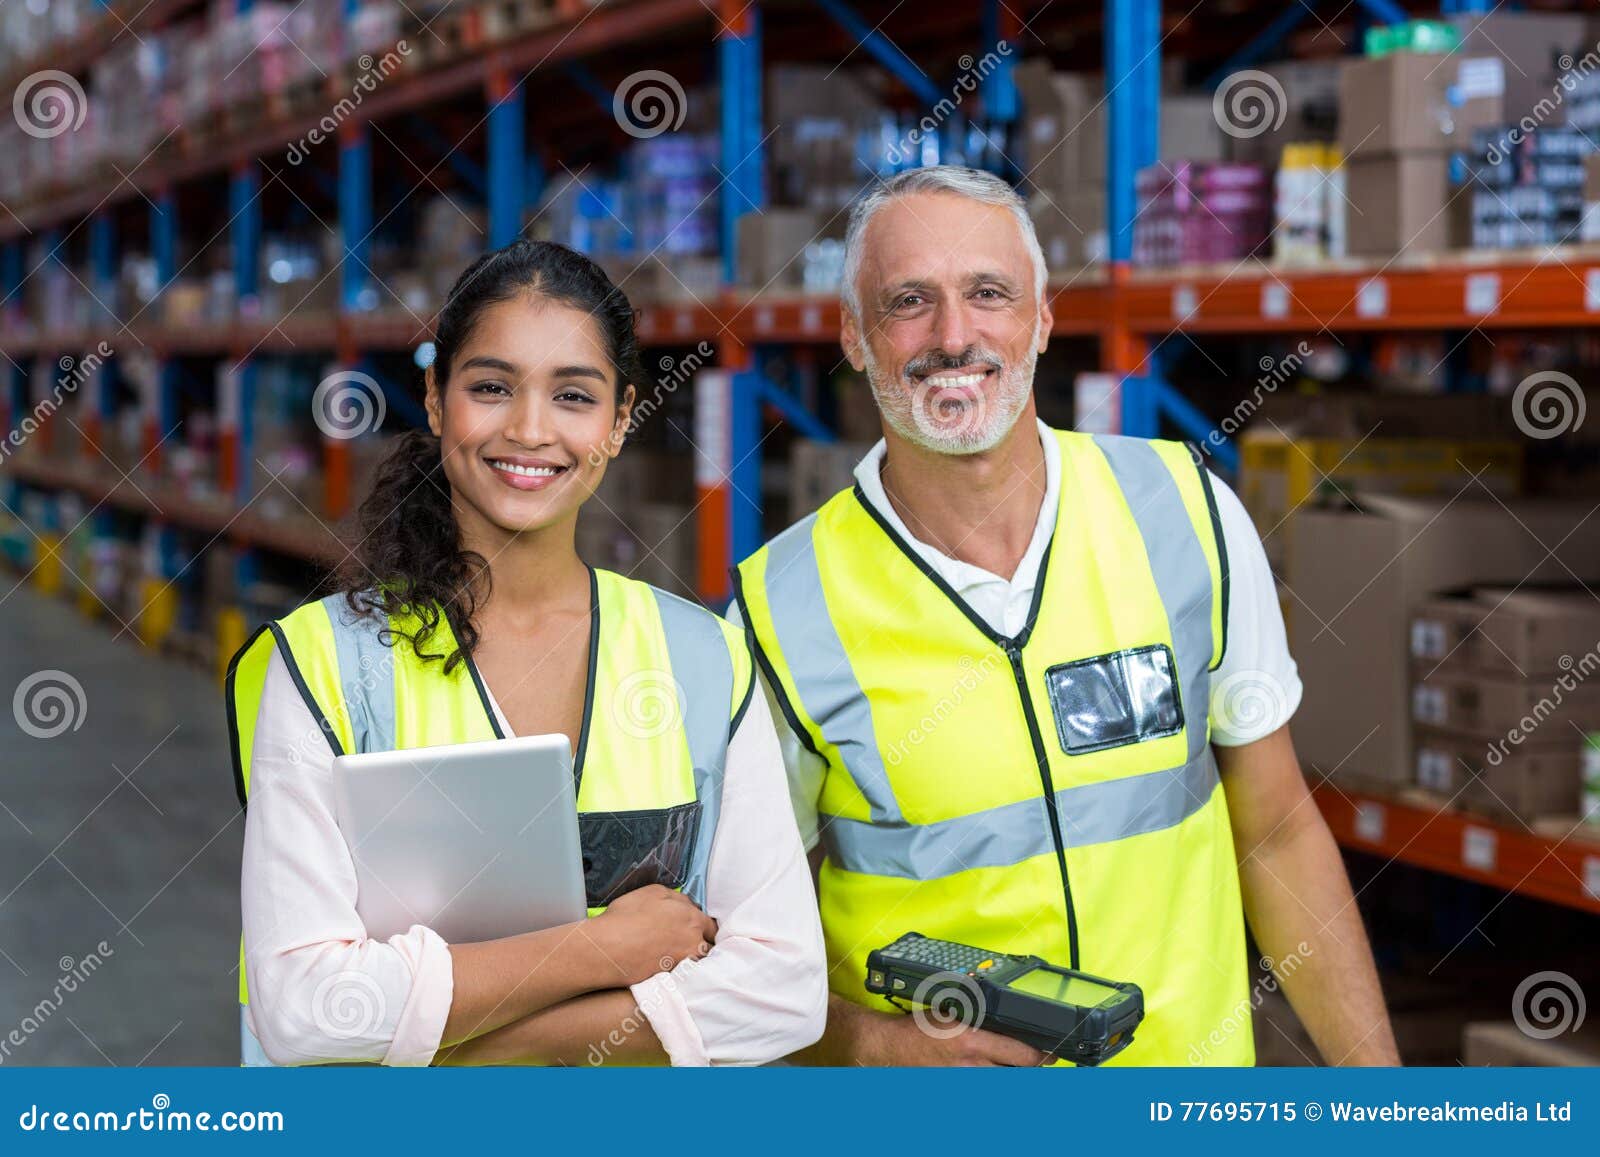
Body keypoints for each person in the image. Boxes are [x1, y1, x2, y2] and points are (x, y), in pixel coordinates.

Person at [730, 166, 1398, 1066]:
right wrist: (873, 1045)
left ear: (1043, 319)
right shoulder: (778, 609)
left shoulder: (1184, 511)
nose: (954, 335)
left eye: (989, 293)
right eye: (909, 302)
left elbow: (1276, 830)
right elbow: (739, 936)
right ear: (853, 335)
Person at [227, 239, 825, 1067]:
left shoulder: (704, 660)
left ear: (619, 420)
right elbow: (304, 1007)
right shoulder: (324, 660)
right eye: (491, 387)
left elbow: (784, 993)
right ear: (436, 400)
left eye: (573, 395)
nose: (531, 429)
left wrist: (463, 1040)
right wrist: (600, 951)